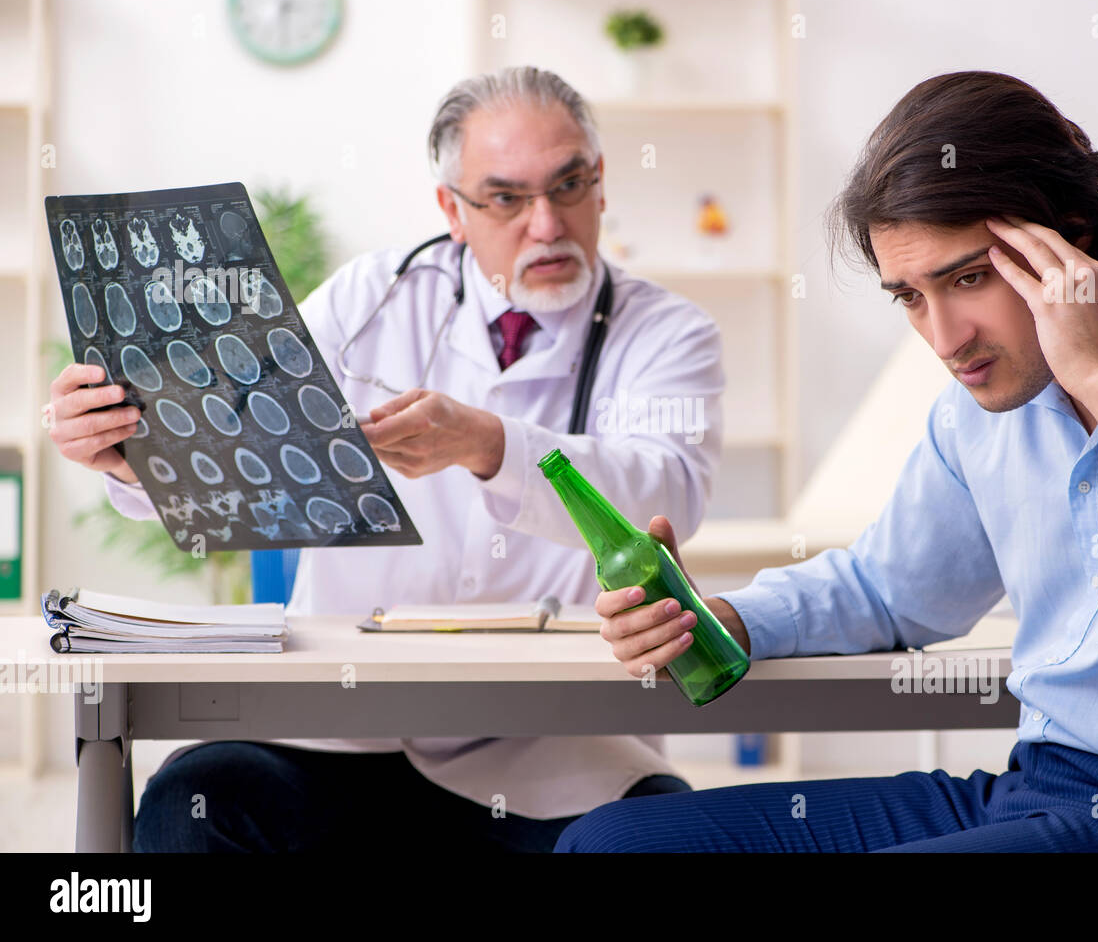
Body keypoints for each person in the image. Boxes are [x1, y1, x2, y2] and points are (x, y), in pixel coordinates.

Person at [556, 70, 1098, 852]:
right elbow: (891, 589)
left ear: (1074, 238)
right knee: (614, 842)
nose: (945, 341)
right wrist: (718, 617)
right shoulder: (986, 405)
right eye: (909, 296)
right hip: (1034, 786)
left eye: (968, 278)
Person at [46, 66, 724, 852]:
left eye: (569, 185)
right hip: (341, 731)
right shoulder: (368, 295)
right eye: (507, 197)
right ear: (453, 209)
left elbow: (667, 490)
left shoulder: (669, 334)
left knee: (654, 836)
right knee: (192, 802)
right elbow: (229, 436)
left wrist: (490, 444)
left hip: (552, 750)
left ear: (601, 184)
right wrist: (128, 451)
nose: (547, 224)